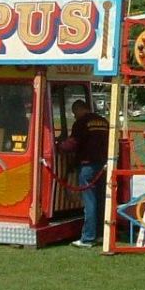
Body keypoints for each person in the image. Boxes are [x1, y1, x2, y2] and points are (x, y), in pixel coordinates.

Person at [61, 100, 111, 247]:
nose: (74, 116)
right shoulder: (103, 121)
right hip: (103, 165)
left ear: (79, 110)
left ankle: (88, 237)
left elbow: (72, 144)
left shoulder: (81, 123)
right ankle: (102, 234)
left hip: (87, 165)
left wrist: (60, 146)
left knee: (89, 201)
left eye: (74, 112)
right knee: (102, 200)